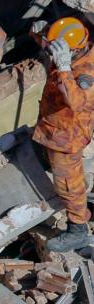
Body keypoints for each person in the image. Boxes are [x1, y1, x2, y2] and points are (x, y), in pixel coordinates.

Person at [32, 17, 94, 252]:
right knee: (63, 174)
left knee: (68, 184)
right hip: (52, 126)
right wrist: (38, 32)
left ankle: (78, 228)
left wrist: (65, 69)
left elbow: (76, 102)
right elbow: (52, 42)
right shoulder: (74, 46)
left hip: (66, 136)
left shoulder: (86, 75)